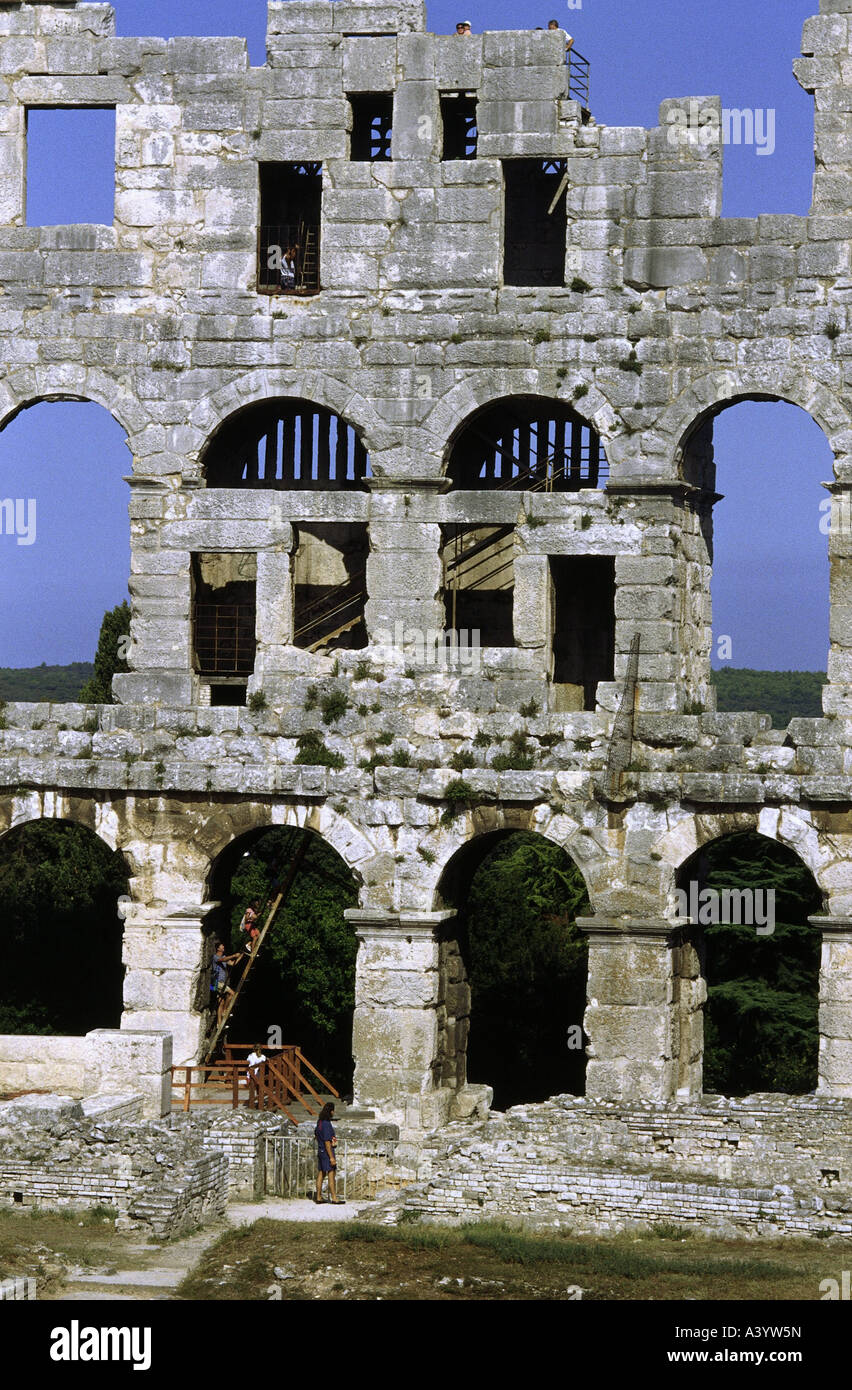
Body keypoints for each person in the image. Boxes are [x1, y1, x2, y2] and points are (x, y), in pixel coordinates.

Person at [315, 1101, 344, 1204]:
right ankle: (334, 1198)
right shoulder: (327, 1124)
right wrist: (332, 1157)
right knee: (331, 1174)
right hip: (327, 1151)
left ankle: (318, 1197)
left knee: (321, 1173)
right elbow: (327, 1142)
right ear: (331, 1111)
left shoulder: (320, 1122)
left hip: (320, 1149)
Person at [210, 941, 243, 1027]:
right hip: (216, 982)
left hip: (220, 983)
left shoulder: (225, 957)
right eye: (222, 946)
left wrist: (241, 956)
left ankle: (219, 1023)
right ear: (218, 948)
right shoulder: (215, 957)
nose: (223, 946)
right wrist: (233, 955)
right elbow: (222, 960)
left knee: (221, 1002)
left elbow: (232, 963)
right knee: (232, 994)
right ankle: (225, 1011)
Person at [245, 1042, 267, 1109]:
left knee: (252, 1089)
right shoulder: (263, 1057)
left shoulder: (250, 1055)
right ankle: (260, 1102)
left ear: (254, 1049)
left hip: (251, 1074)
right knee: (259, 1088)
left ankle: (252, 1104)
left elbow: (247, 1061)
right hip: (258, 1075)